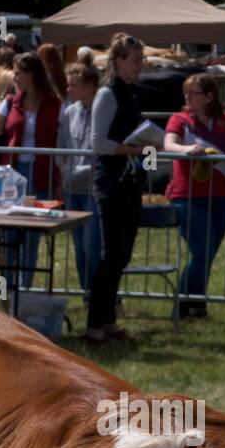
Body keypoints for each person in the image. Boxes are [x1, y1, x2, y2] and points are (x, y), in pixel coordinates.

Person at [163, 72, 225, 319]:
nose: (187, 97)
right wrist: (187, 149)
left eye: (193, 92)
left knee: (207, 254)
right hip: (186, 196)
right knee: (202, 251)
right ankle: (182, 305)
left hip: (221, 197)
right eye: (185, 92)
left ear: (209, 96)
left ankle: (196, 307)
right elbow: (168, 144)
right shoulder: (179, 119)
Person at [87, 32, 149, 345]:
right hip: (110, 182)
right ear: (120, 61)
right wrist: (134, 150)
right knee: (110, 255)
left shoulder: (129, 92)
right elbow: (98, 143)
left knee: (121, 255)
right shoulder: (107, 94)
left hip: (127, 183)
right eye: (136, 60)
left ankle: (108, 321)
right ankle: (94, 326)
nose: (142, 65)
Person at [0, 51, 62, 290]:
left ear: (33, 75)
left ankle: (25, 289)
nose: (15, 78)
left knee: (31, 235)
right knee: (8, 234)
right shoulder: (9, 102)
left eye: (19, 73)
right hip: (13, 174)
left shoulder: (55, 104)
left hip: (42, 174)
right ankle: (5, 288)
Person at [58, 63, 101, 299]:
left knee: (92, 246)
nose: (69, 89)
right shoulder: (69, 112)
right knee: (79, 248)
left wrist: (77, 171)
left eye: (74, 85)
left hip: (93, 189)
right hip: (72, 188)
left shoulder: (103, 112)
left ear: (89, 86)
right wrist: (63, 168)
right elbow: (61, 143)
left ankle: (101, 295)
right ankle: (87, 295)